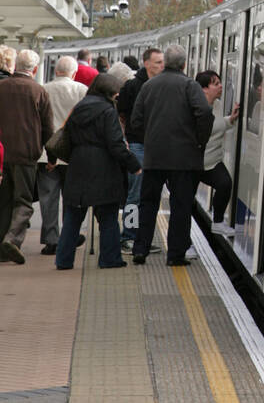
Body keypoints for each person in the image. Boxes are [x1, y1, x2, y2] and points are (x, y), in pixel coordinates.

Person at [130, 45, 213, 266]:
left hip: (154, 156)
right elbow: (204, 112)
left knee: (147, 204)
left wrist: (148, 138)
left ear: (165, 63)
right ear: (185, 64)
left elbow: (135, 120)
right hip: (184, 158)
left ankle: (140, 249)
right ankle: (175, 255)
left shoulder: (149, 86)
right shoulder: (190, 85)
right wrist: (199, 140)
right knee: (181, 206)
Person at [54, 74, 140, 270]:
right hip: (103, 167)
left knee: (73, 217)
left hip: (77, 165)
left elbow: (67, 136)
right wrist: (133, 165)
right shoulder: (108, 111)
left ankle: (63, 260)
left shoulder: (79, 107)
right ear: (109, 92)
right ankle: (109, 259)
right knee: (108, 217)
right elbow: (116, 144)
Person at [0, 49, 54, 263]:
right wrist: (51, 156)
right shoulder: (38, 91)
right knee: (23, 201)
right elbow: (48, 128)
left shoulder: (1, 88)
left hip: (3, 155)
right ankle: (12, 240)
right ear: (35, 69)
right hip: (26, 154)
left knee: (3, 201)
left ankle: (2, 247)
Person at [36, 56, 86, 255]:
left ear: (56, 71)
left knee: (48, 197)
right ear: (74, 73)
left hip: (46, 154)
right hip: (72, 154)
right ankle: (69, 236)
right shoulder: (82, 90)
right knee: (71, 198)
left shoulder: (43, 89)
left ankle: (51, 239)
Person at [117, 47, 164, 247]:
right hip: (137, 146)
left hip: (157, 148)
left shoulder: (162, 85)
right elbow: (121, 115)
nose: (162, 66)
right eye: (157, 62)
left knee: (150, 197)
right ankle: (128, 236)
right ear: (146, 64)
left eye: (163, 62)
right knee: (135, 195)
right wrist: (125, 140)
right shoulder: (132, 86)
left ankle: (142, 238)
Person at [195, 70, 239, 235]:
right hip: (193, 163)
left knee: (225, 184)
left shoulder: (218, 105)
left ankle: (218, 222)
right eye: (215, 83)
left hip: (212, 161)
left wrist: (231, 119)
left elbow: (218, 126)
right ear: (204, 89)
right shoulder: (195, 106)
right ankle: (184, 243)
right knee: (185, 204)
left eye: (220, 82)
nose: (221, 86)